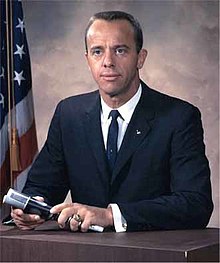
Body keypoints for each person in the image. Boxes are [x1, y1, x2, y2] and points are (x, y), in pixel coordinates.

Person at [11, 11, 213, 232]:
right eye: (97, 52)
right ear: (87, 59)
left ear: (140, 58)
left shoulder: (179, 117)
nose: (108, 62)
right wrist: (31, 209)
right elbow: (42, 186)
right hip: (81, 253)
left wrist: (111, 215)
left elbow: (195, 204)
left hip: (152, 253)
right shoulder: (69, 114)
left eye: (120, 50)